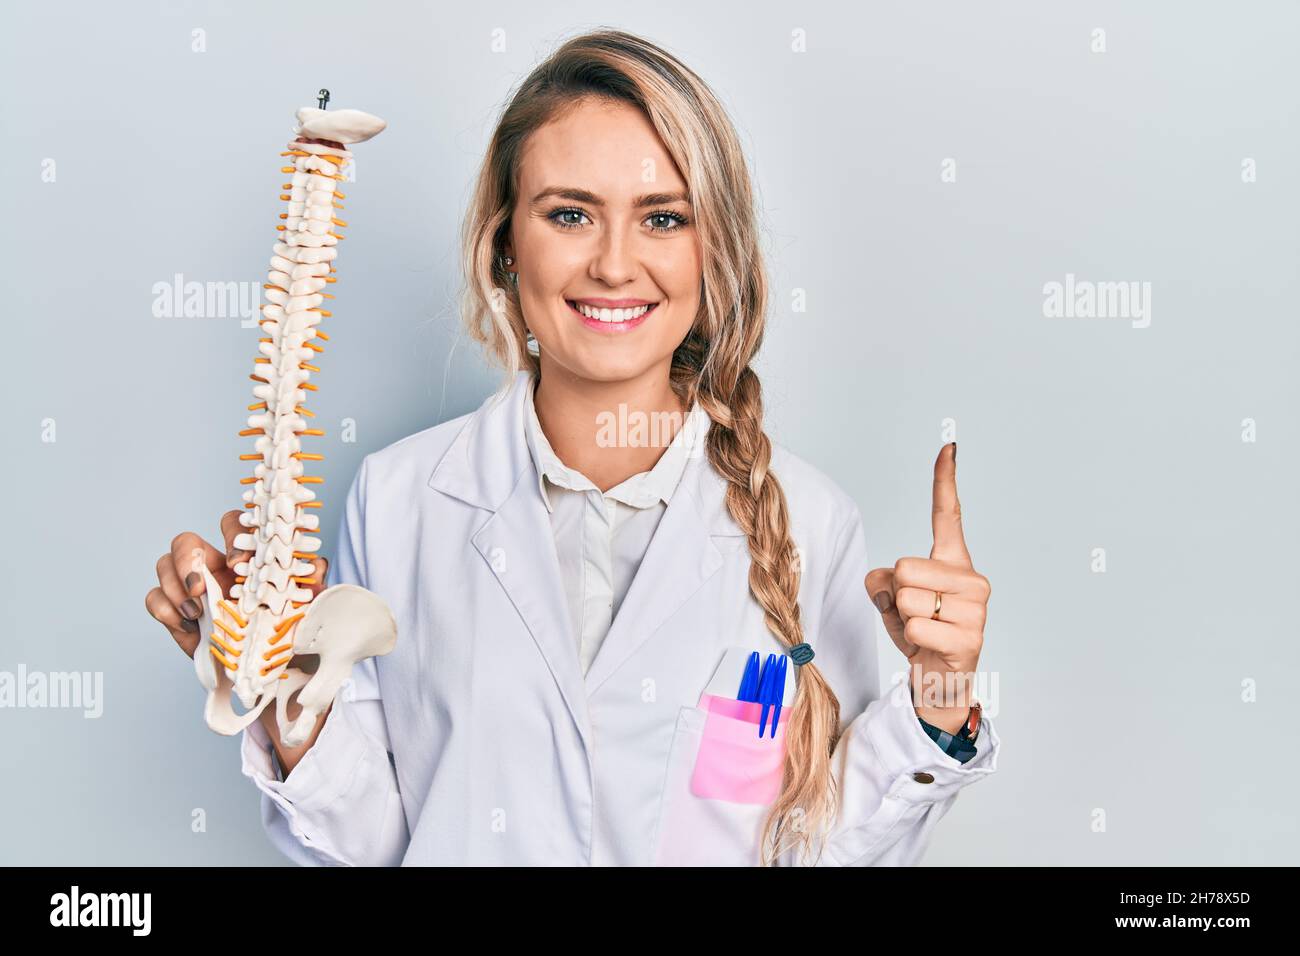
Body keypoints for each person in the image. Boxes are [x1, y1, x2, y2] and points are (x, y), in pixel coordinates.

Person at [146, 28, 998, 866]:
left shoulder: (811, 524)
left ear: (716, 256)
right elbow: (381, 847)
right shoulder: (400, 498)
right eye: (569, 215)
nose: (615, 265)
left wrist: (941, 699)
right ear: (507, 245)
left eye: (663, 217)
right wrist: (281, 691)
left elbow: (814, 850)